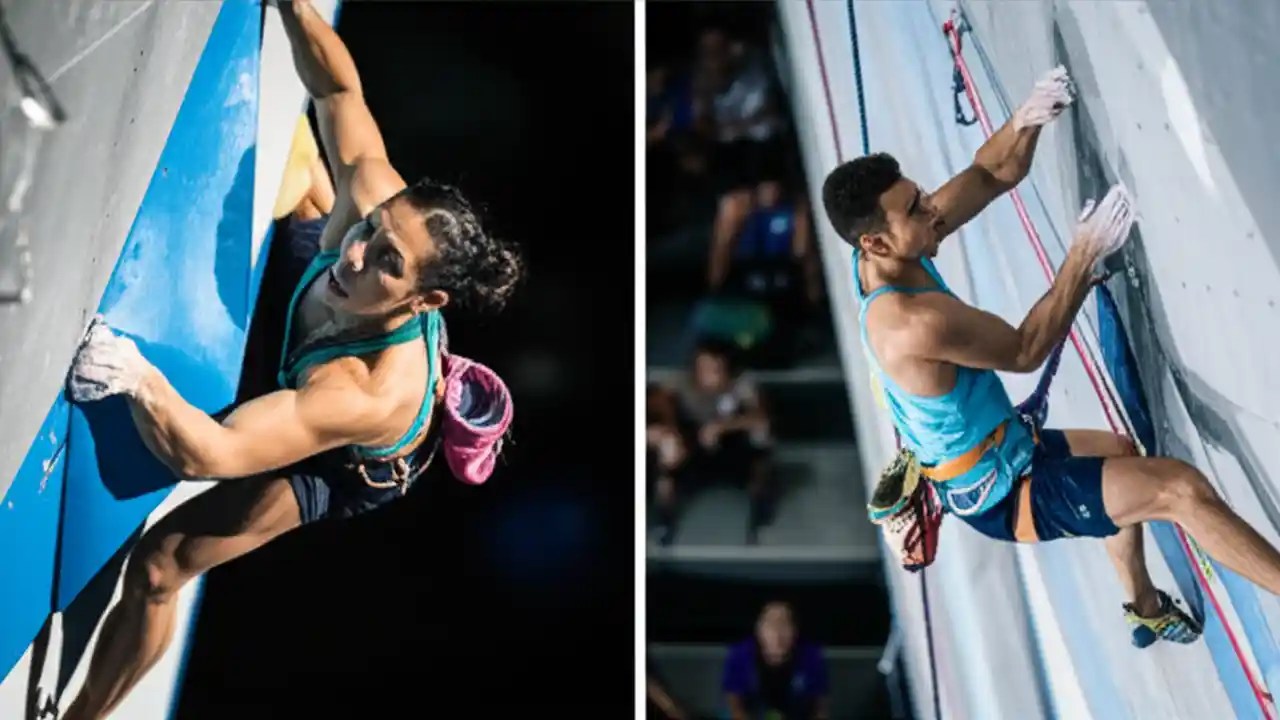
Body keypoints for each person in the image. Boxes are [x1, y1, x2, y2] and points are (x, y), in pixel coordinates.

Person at [61, 2, 521, 717]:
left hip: (346, 460)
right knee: (309, 165)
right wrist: (292, 4)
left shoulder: (358, 393)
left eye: (387, 261)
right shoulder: (369, 215)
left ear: (426, 301)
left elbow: (208, 453)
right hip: (339, 323)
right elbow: (339, 91)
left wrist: (137, 378)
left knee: (160, 566)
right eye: (373, 227)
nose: (359, 253)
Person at [822, 65, 1280, 645]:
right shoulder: (911, 323)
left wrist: (1026, 119)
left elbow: (990, 172)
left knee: (1118, 451)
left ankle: (1142, 606)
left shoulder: (891, 252)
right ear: (876, 241)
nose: (931, 209)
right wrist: (1081, 256)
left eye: (918, 197)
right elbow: (1024, 349)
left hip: (998, 448)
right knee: (1179, 491)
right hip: (1004, 490)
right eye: (915, 209)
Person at [722, 601, 829, 720]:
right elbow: (735, 705)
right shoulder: (739, 655)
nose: (777, 633)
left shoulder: (812, 656)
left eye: (783, 624)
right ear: (759, 630)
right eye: (771, 625)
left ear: (795, 631)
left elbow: (819, 707)